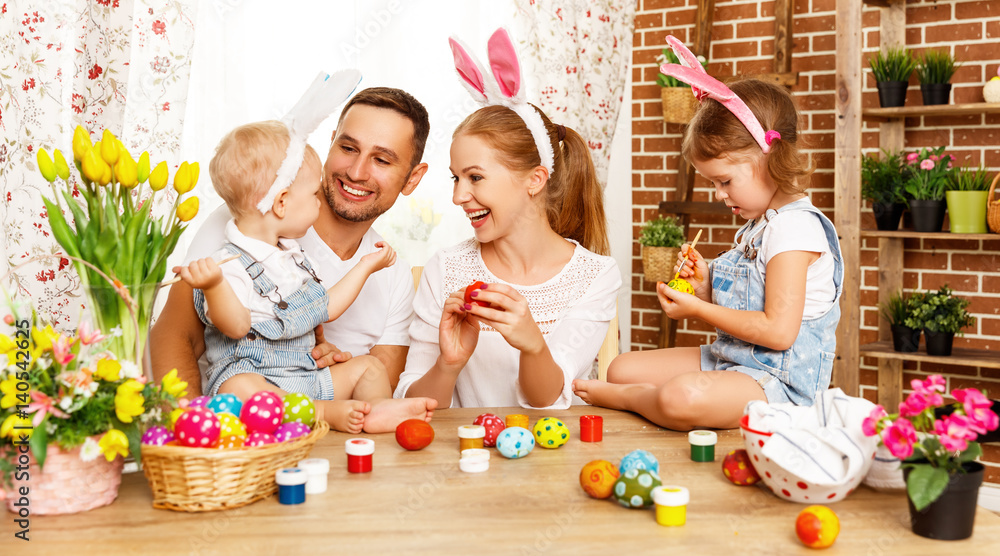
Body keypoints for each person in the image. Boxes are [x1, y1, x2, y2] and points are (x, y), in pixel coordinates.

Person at [151, 87, 437, 432]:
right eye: (348, 148)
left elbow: (377, 391)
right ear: (330, 144)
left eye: (382, 159)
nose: (358, 171)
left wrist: (320, 364)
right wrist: (191, 432)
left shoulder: (392, 272)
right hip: (237, 436)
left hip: (326, 439)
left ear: (413, 178)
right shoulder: (245, 223)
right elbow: (173, 336)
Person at [573, 66, 844, 431]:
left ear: (769, 158)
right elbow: (751, 303)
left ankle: (630, 399)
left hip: (778, 387)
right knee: (620, 368)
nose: (719, 194)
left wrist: (699, 309)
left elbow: (778, 332)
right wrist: (705, 287)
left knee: (681, 396)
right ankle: (637, 393)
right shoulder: (761, 225)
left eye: (725, 180)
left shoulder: (795, 229)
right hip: (732, 362)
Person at [394, 29, 621, 409]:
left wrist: (532, 342)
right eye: (456, 177)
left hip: (552, 460)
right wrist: (448, 365)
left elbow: (548, 401)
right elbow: (412, 408)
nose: (458, 196)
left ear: (534, 180)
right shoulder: (446, 269)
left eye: (475, 177)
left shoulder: (595, 275)